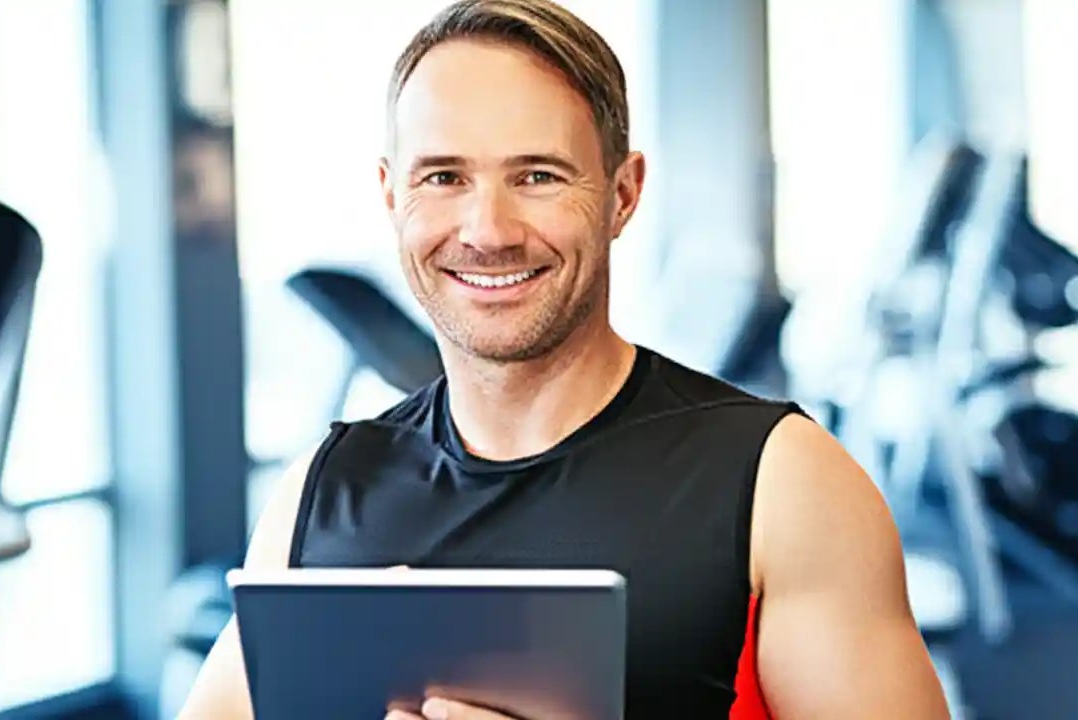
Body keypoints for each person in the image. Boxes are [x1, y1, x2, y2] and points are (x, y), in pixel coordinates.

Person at [180, 0, 951, 717]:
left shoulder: (783, 482)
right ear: (392, 197)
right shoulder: (319, 495)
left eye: (538, 176)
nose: (488, 229)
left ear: (623, 194)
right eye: (444, 177)